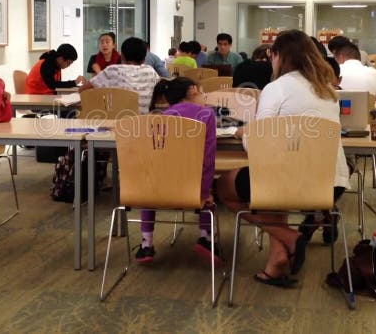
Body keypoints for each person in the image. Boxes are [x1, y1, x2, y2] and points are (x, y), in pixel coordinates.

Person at [216, 30, 350, 287]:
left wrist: (245, 132)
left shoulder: (276, 88)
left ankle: (288, 238)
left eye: (272, 56)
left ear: (279, 56)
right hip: (330, 186)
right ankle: (276, 261)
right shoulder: (327, 90)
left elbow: (261, 145)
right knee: (275, 183)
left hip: (289, 181)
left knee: (225, 187)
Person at [135, 77, 218, 264]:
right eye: (202, 91)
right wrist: (205, 191)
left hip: (158, 189)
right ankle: (206, 238)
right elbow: (208, 158)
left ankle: (146, 244)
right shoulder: (207, 115)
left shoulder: (161, 117)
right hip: (193, 189)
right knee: (209, 196)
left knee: (149, 193)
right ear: (193, 90)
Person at [80, 37, 160, 114]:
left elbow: (82, 90)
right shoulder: (150, 72)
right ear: (144, 59)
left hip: (113, 123)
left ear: (122, 56)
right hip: (141, 124)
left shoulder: (112, 71)